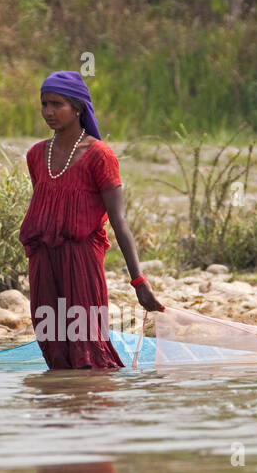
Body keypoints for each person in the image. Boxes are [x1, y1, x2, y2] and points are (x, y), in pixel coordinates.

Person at [19, 71, 163, 369]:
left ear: (78, 107)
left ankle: (94, 409)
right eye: (44, 104)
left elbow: (119, 221)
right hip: (44, 262)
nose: (48, 112)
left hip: (82, 262)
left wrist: (139, 281)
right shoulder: (36, 155)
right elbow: (48, 210)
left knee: (88, 345)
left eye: (57, 104)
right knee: (52, 343)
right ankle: (58, 411)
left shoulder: (99, 156)